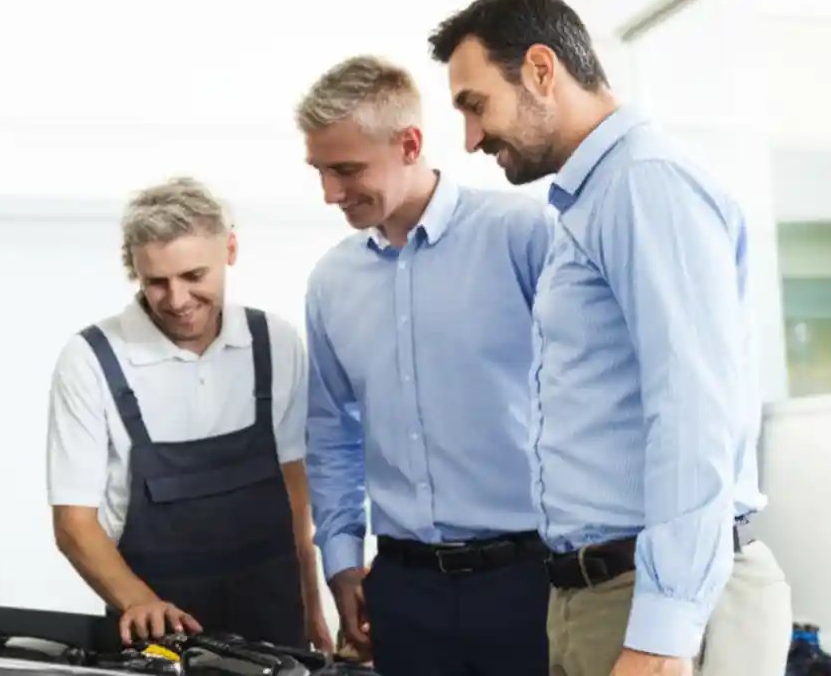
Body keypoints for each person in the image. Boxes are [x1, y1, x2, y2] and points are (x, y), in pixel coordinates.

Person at [427, 0, 793, 676]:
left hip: (661, 602)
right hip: (595, 594)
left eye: (475, 106)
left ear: (541, 70)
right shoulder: (590, 202)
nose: (471, 138)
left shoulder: (645, 185)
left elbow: (693, 412)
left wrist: (663, 635)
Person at [297, 55, 557, 675]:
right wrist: (340, 562)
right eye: (320, 171)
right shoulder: (332, 281)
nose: (331, 193)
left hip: (531, 579)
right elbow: (333, 432)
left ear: (410, 143)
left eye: (347, 169)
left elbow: (593, 394)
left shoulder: (524, 235)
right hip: (404, 591)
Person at [45, 176, 331, 652]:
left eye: (194, 276)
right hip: (157, 635)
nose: (177, 300)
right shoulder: (91, 360)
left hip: (274, 624)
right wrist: (140, 603)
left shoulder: (274, 343)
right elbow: (74, 524)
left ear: (230, 250)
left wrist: (312, 607)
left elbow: (295, 493)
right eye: (157, 282)